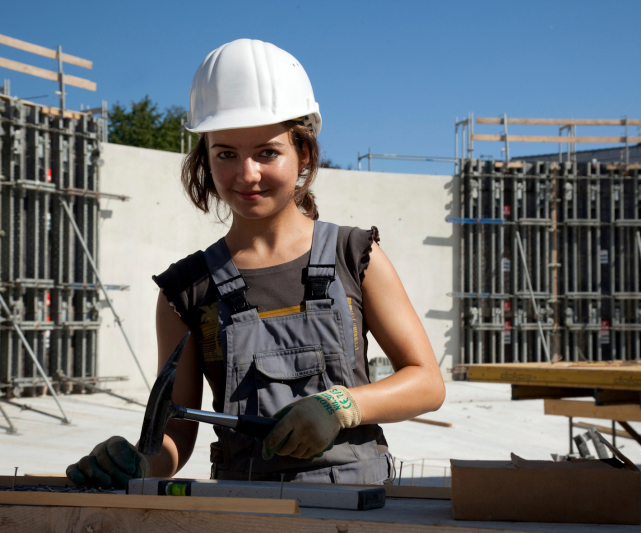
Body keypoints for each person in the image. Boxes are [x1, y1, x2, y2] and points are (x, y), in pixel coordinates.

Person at [66, 39, 445, 488]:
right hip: (243, 508)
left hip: (361, 506)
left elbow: (426, 383)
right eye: (226, 153)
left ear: (302, 153)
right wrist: (140, 465)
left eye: (267, 152)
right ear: (205, 159)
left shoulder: (354, 256)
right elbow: (175, 434)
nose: (247, 174)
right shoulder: (186, 291)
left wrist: (341, 406)